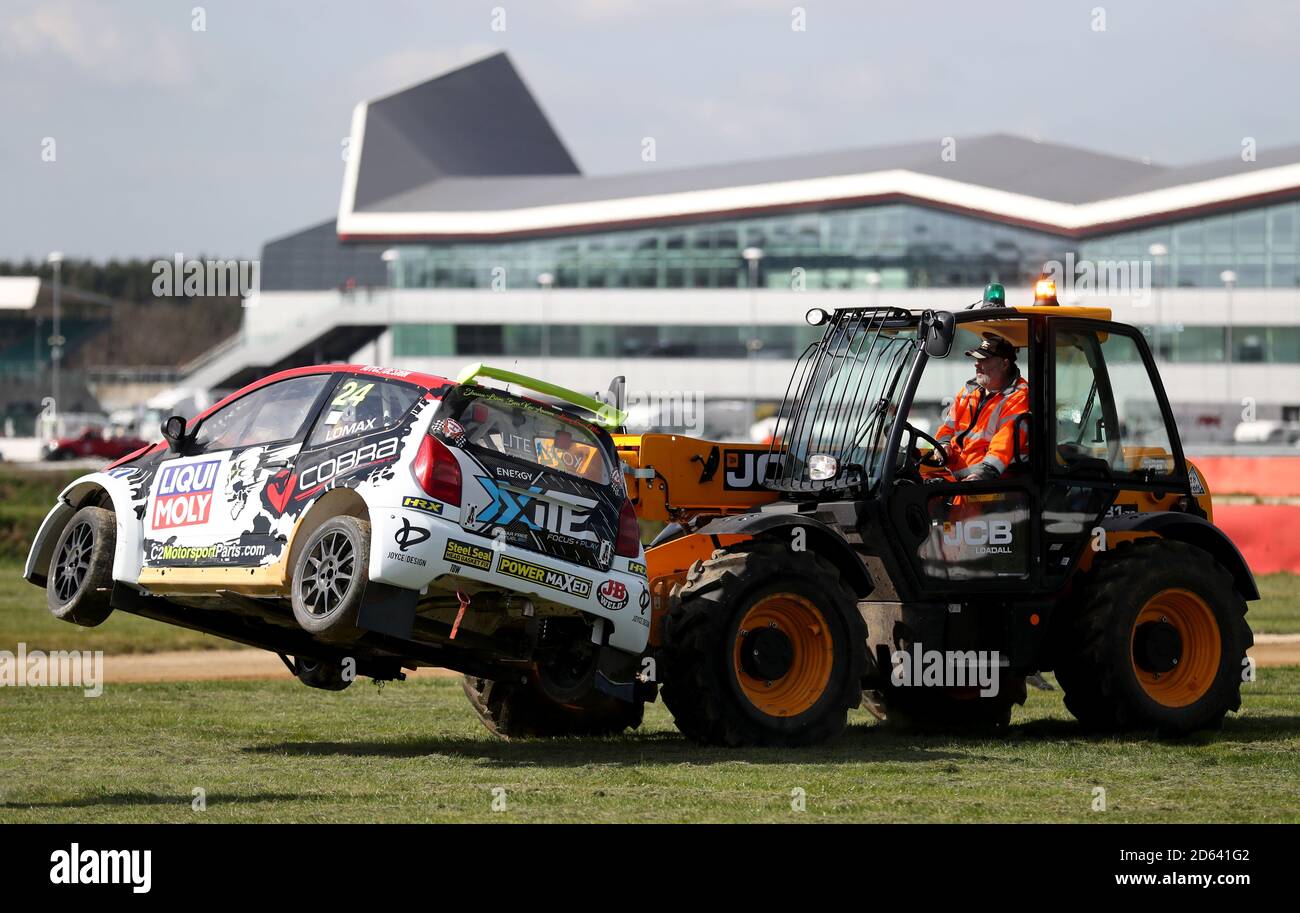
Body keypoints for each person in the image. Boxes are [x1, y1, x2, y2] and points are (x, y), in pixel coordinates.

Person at [932, 333, 1029, 480]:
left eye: (985, 359)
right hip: (956, 474)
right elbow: (947, 428)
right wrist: (943, 445)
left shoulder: (1018, 397)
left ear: (1004, 364)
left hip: (989, 483)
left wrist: (983, 474)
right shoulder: (969, 391)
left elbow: (1004, 445)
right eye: (977, 359)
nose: (977, 364)